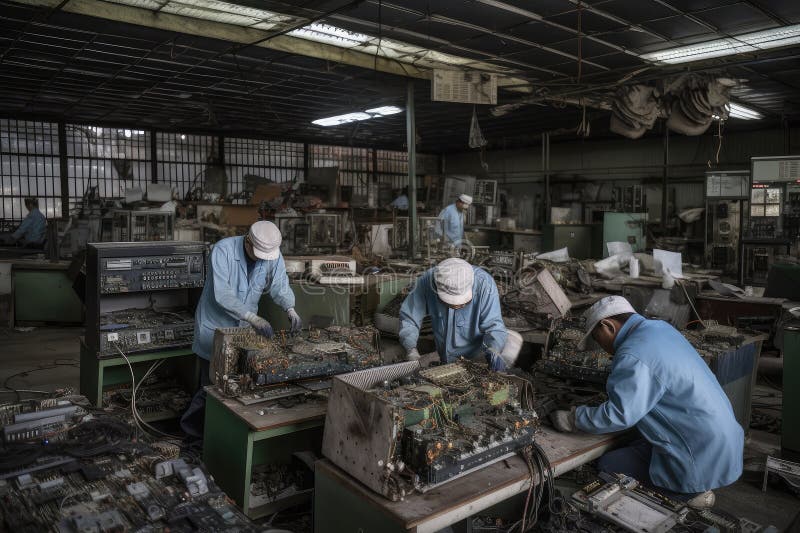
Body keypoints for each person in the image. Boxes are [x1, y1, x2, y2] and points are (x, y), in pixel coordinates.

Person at [551, 296, 743, 509]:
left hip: (696, 455)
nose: (601, 347)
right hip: (721, 440)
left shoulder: (633, 353)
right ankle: (691, 486)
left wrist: (572, 418)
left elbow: (618, 415)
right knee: (636, 441)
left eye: (597, 339)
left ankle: (683, 494)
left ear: (607, 326)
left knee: (609, 464)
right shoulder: (660, 329)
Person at [180, 221, 303, 443]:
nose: (262, 260)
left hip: (244, 331)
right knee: (211, 387)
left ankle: (223, 439)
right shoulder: (222, 250)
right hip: (215, 327)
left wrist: (290, 308)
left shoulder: (271, 254)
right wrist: (252, 317)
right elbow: (223, 294)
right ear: (248, 240)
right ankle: (193, 440)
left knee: (239, 386)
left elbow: (279, 283)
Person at [399, 257, 516, 370]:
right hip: (444, 359)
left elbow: (494, 326)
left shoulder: (485, 284)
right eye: (450, 302)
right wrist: (411, 349)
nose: (456, 306)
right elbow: (409, 317)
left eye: (461, 303)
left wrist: (494, 350)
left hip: (477, 361)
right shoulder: (427, 281)